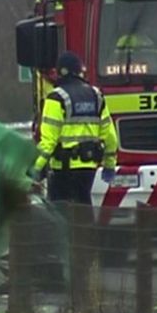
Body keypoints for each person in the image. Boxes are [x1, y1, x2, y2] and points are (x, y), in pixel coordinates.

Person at [32, 52, 118, 204]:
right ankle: (89, 228)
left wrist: (35, 168)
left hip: (63, 169)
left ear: (60, 72)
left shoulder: (56, 98)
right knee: (84, 208)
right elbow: (109, 135)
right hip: (88, 167)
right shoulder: (96, 95)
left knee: (62, 215)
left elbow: (48, 142)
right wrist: (109, 164)